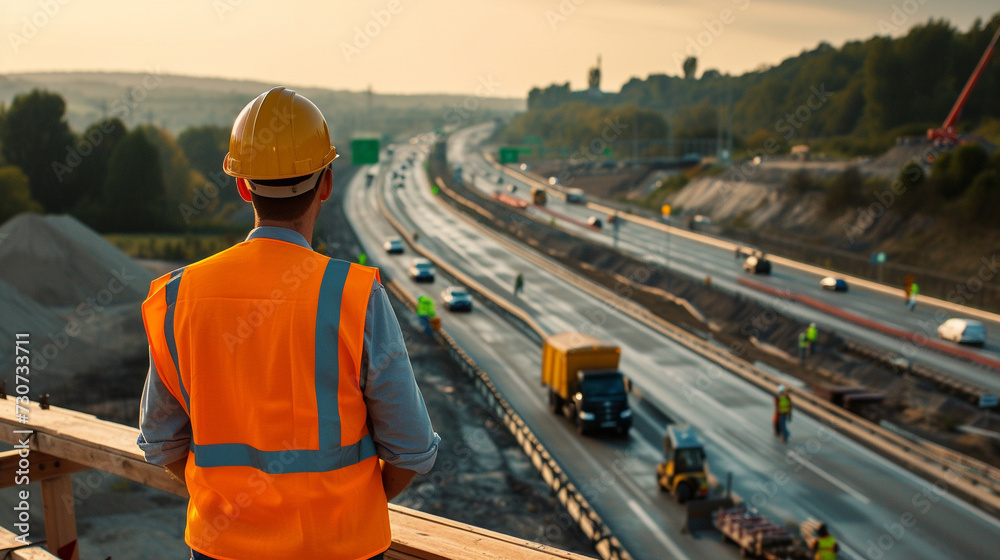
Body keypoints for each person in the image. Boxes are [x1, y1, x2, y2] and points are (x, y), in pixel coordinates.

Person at [137, 87, 439, 560]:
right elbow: (413, 449)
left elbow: (160, 441)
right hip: (343, 548)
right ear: (327, 184)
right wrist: (350, 507)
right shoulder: (353, 296)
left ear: (241, 186)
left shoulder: (179, 296)